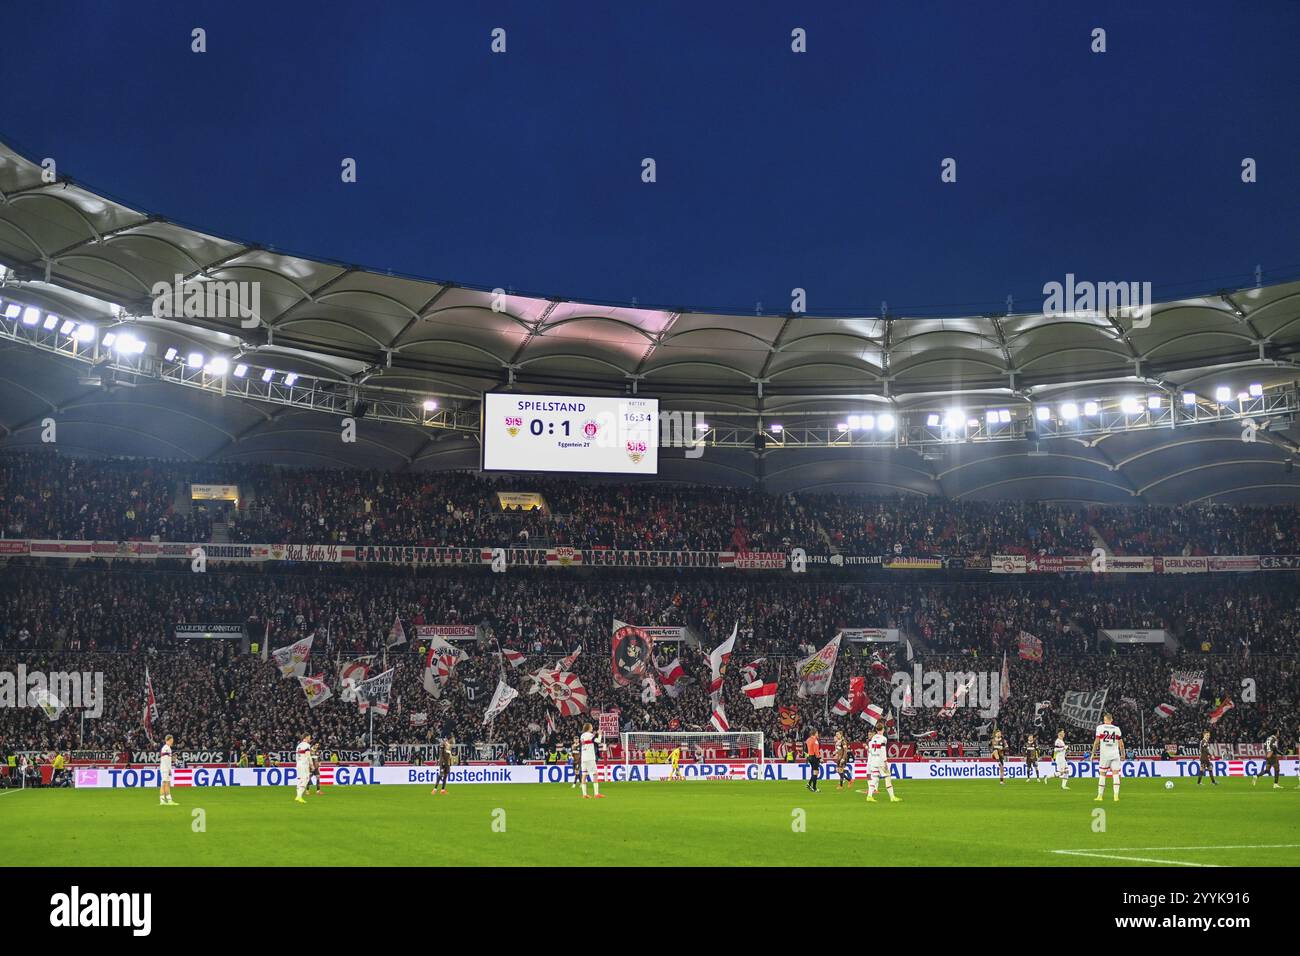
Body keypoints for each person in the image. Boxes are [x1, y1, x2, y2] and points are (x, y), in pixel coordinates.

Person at [1091, 712, 1125, 803]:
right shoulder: (1117, 729)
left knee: (1102, 775)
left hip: (1105, 755)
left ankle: (1100, 796)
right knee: (1116, 774)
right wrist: (1123, 754)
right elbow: (1121, 744)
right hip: (1115, 754)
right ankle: (1116, 796)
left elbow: (1097, 742)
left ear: (1104, 719)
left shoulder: (1100, 728)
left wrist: (1093, 753)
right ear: (1111, 720)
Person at [864, 726, 899, 803]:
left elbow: (870, 751)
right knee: (887, 777)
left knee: (875, 778)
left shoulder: (871, 740)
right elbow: (882, 751)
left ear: (876, 730)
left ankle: (869, 796)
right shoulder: (883, 739)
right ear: (883, 730)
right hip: (881, 762)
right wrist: (885, 761)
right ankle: (892, 797)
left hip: (873, 762)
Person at [579, 723, 604, 799]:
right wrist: (600, 734)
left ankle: (584, 794)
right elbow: (598, 741)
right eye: (591, 727)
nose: (592, 728)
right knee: (595, 774)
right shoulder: (590, 735)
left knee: (584, 775)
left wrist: (594, 734)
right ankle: (596, 794)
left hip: (583, 758)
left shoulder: (582, 735)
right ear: (588, 728)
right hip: (590, 757)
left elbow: (588, 740)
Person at [294, 733, 312, 804]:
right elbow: (308, 755)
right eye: (309, 737)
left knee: (299, 779)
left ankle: (297, 796)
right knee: (306, 779)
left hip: (298, 764)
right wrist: (311, 764)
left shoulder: (298, 745)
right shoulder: (307, 745)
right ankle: (300, 796)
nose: (310, 739)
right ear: (306, 737)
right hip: (304, 764)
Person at [159, 735, 177, 806]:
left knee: (166, 784)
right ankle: (163, 800)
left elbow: (166, 759)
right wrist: (169, 769)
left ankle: (168, 800)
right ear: (168, 740)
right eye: (171, 741)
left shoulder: (167, 748)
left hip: (165, 768)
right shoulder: (166, 748)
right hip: (165, 769)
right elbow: (166, 760)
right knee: (164, 783)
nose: (172, 742)